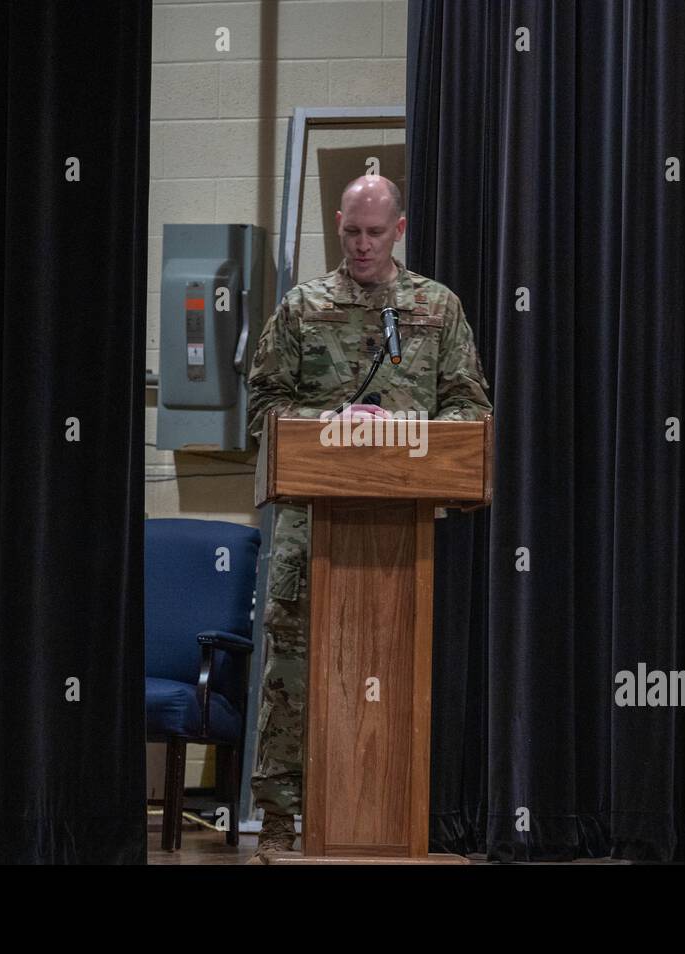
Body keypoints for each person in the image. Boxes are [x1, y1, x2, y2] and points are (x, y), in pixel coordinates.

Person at [244, 174, 492, 861]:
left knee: (391, 673)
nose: (360, 245)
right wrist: (333, 421)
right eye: (351, 231)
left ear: (400, 230)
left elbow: (469, 411)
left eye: (374, 233)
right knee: (291, 671)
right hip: (310, 523)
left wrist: (400, 428)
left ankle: (393, 822)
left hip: (399, 533)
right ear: (338, 221)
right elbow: (264, 410)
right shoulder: (303, 306)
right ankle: (279, 823)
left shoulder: (436, 308)